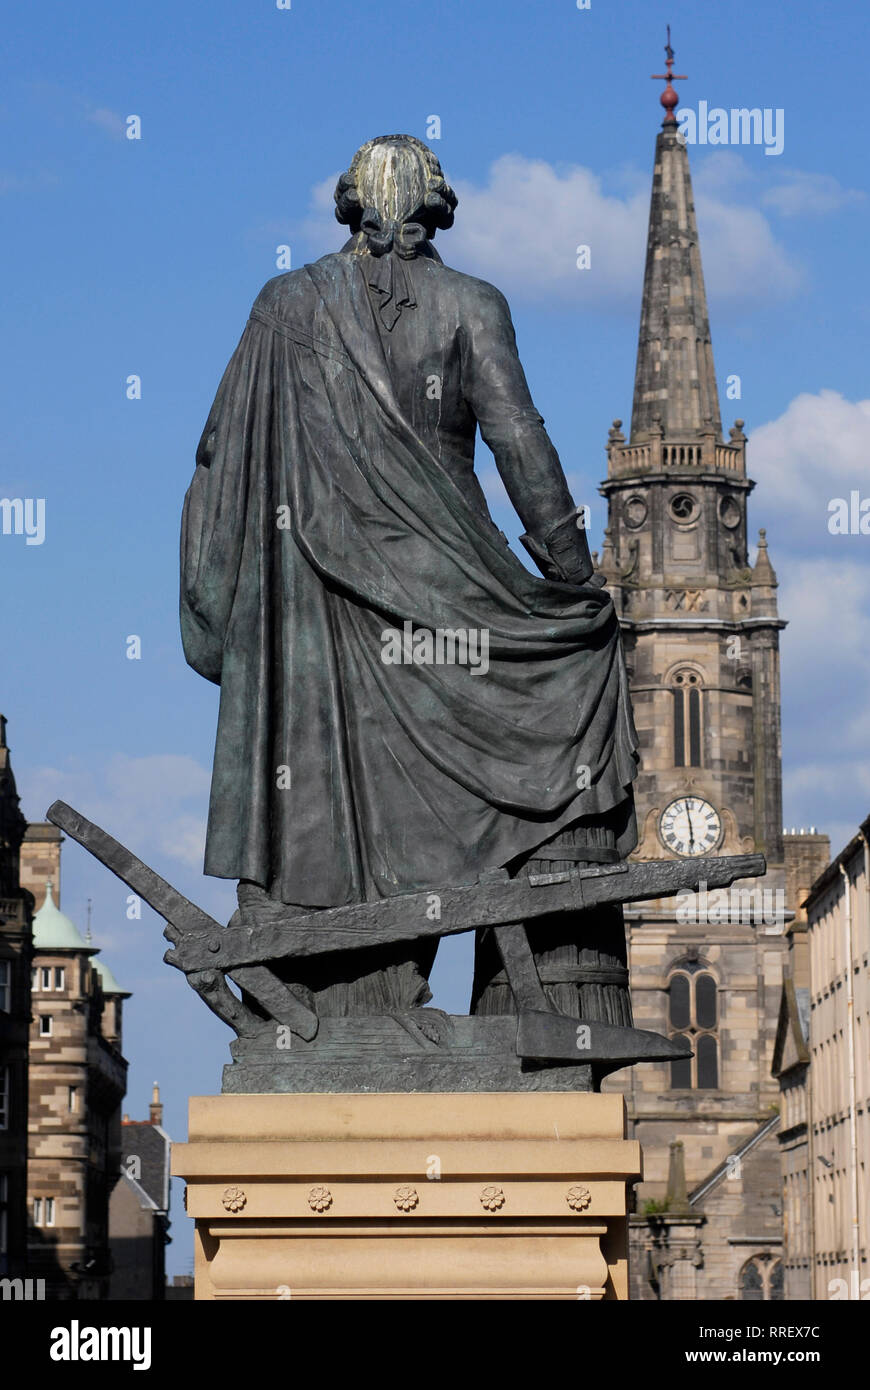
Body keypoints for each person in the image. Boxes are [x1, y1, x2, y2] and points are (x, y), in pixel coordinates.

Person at [180, 134, 638, 1022]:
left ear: (352, 203)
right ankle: (488, 982)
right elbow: (519, 443)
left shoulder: (284, 305)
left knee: (323, 773)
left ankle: (346, 980)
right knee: (573, 667)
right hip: (447, 583)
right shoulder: (470, 303)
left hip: (314, 593)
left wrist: (227, 588)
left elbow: (218, 458)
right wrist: (575, 582)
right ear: (438, 205)